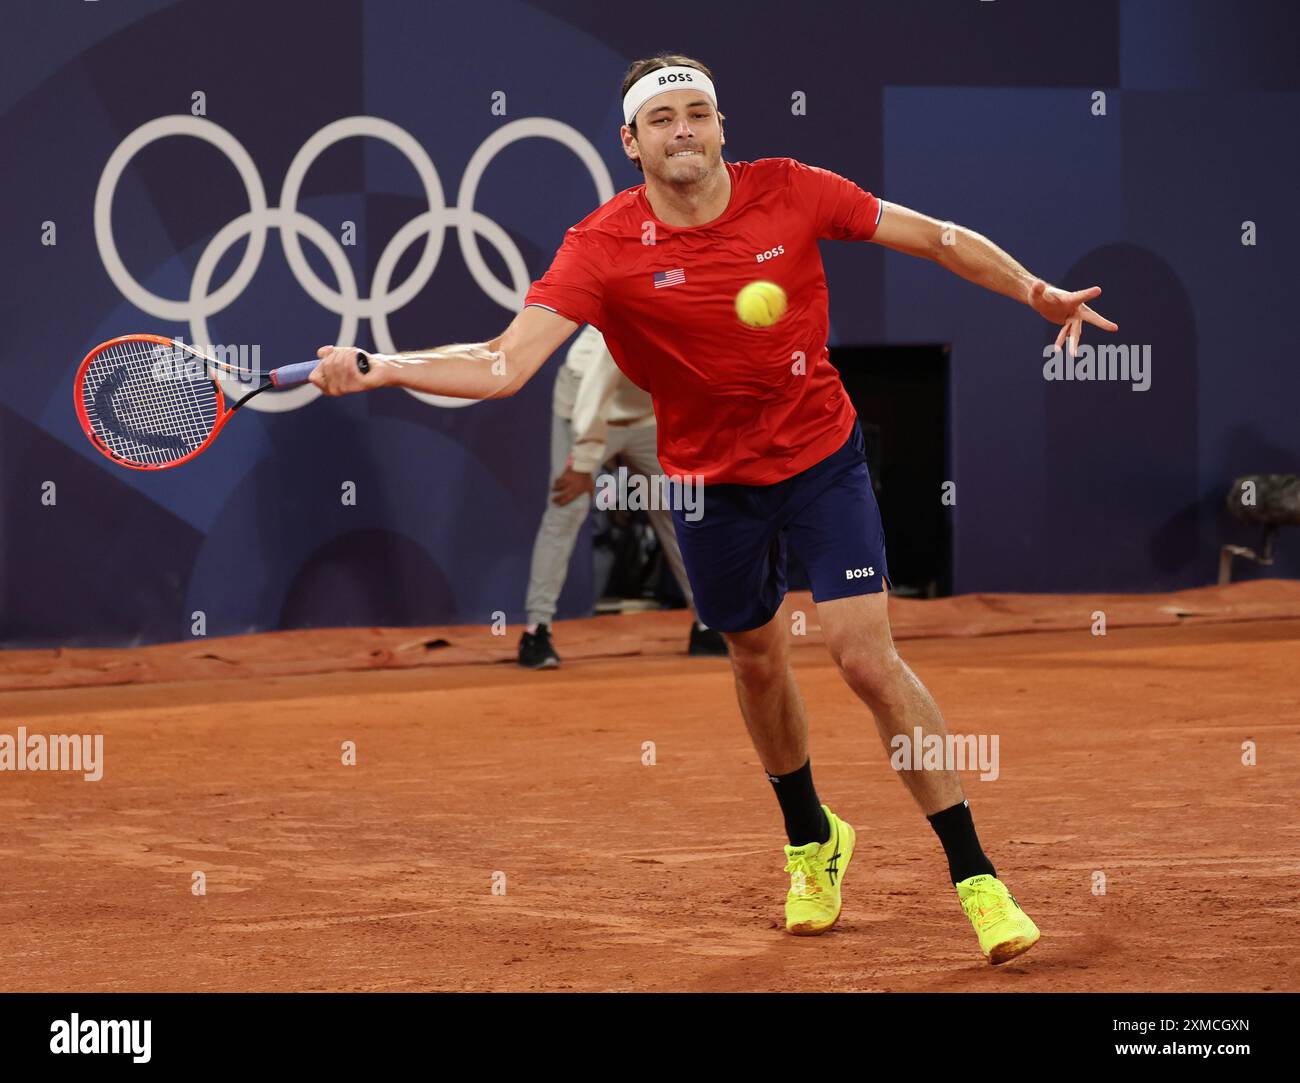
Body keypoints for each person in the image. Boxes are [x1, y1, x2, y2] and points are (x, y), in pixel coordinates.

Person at [311, 53, 1117, 964]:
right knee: (759, 660)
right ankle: (813, 840)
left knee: (864, 658)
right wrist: (385, 364)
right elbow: (503, 364)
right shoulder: (601, 247)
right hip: (708, 483)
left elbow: (936, 238)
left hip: (820, 459)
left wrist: (1032, 290)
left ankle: (978, 877)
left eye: (698, 113)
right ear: (631, 142)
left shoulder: (795, 191)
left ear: (723, 126)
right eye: (662, 120)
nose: (684, 130)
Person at [519, 323, 727, 667]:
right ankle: (535, 632)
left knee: (681, 512)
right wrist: (583, 463)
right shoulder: (631, 323)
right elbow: (594, 394)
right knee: (566, 509)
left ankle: (707, 625)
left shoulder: (702, 320)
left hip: (646, 414)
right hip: (586, 404)